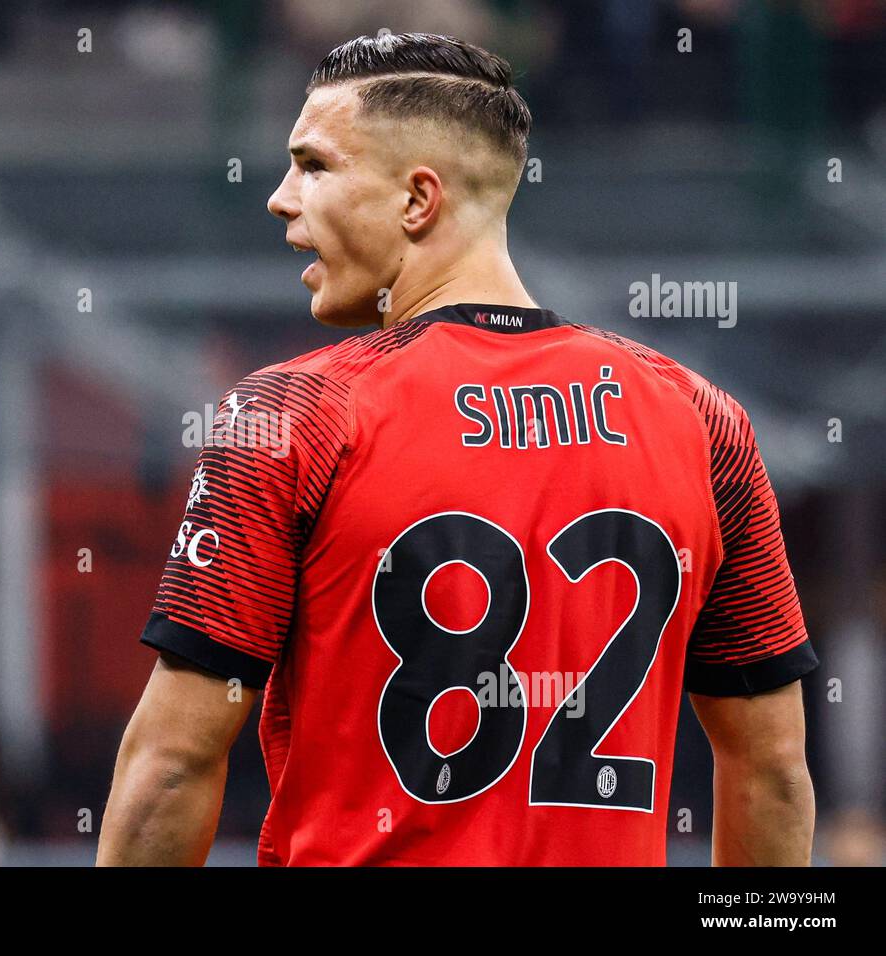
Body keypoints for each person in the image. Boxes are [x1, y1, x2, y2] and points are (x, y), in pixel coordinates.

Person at [98, 32, 818, 866]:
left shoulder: (288, 416)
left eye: (315, 166)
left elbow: (174, 765)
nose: (281, 198)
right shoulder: (702, 420)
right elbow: (771, 771)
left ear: (418, 200)